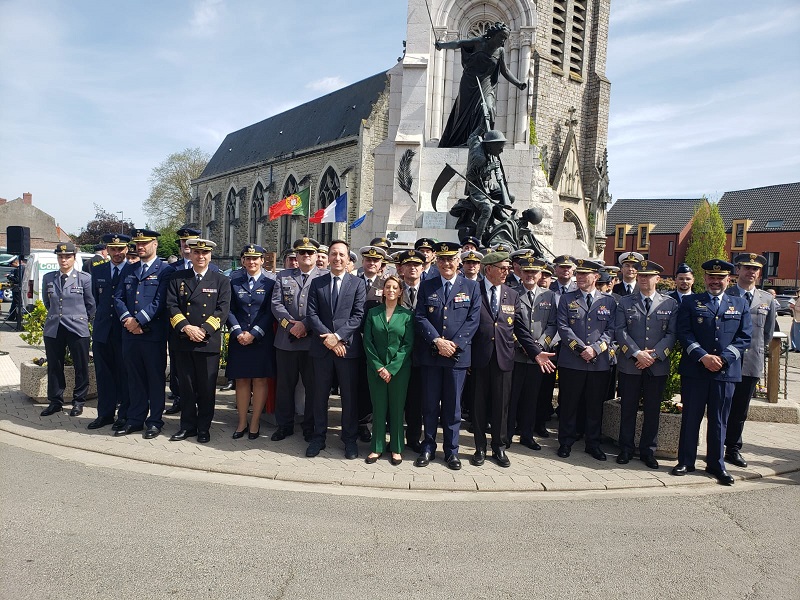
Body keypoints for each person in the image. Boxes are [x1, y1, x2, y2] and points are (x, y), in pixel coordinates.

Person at [470, 252, 555, 468]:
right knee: (479, 405)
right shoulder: (473, 290)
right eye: (502, 268)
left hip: (503, 358)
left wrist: (536, 352)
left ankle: (499, 446)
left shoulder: (511, 294)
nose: (506, 272)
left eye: (507, 268)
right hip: (479, 358)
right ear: (488, 269)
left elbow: (520, 329)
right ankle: (480, 447)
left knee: (501, 405)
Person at [672, 259, 752, 485]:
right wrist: (703, 357)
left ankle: (717, 465)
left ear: (729, 279)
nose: (715, 281)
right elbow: (684, 333)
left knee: (719, 420)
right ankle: (686, 461)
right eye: (711, 277)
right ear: (705, 278)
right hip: (696, 370)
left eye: (720, 278)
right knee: (691, 417)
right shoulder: (691, 302)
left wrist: (723, 359)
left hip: (725, 373)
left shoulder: (740, 303)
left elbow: (744, 337)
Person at [413, 242, 481, 470]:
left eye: (451, 259)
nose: (446, 263)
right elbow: (420, 316)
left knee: (453, 408)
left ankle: (452, 451)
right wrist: (437, 341)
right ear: (437, 262)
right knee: (430, 405)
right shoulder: (427, 285)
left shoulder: (471, 286)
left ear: (458, 261)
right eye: (442, 259)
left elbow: (473, 320)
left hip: (456, 357)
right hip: (432, 355)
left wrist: (454, 345)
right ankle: (428, 447)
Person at [614, 260, 678, 468]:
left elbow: (672, 334)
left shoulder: (669, 303)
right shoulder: (625, 302)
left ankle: (648, 451)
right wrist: (637, 354)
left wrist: (654, 355)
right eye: (641, 275)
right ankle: (625, 448)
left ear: (657, 279)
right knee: (628, 408)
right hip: (630, 364)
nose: (643, 279)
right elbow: (620, 331)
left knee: (652, 410)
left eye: (648, 276)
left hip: (656, 366)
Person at [166, 239, 231, 444]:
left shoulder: (221, 280)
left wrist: (203, 330)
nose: (200, 256)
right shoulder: (177, 278)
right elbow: (171, 306)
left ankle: (204, 427)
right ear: (190, 254)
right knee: (186, 387)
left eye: (204, 253)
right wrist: (187, 327)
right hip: (183, 340)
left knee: (206, 388)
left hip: (207, 342)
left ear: (210, 255)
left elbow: (222, 310)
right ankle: (187, 426)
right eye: (196, 252)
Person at [306, 240, 366, 459]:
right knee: (319, 395)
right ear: (328, 257)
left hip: (347, 350)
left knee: (349, 398)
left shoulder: (357, 284)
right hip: (322, 349)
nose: (337, 258)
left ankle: (349, 439)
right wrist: (329, 339)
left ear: (348, 258)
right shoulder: (317, 283)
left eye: (341, 254)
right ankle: (318, 437)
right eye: (333, 254)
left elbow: (358, 316)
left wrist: (338, 338)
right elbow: (312, 315)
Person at [113, 228, 175, 438]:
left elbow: (160, 301)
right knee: (134, 378)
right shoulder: (129, 269)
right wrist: (127, 320)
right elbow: (118, 297)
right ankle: (135, 419)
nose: (140, 247)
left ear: (154, 244)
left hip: (152, 334)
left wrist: (138, 320)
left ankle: (155, 421)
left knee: (155, 379)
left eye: (144, 243)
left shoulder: (165, 270)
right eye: (138, 244)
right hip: (130, 334)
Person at [555, 258, 616, 460]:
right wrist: (581, 349)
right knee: (569, 404)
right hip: (572, 361)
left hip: (599, 363)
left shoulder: (608, 301)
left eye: (584, 274)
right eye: (578, 274)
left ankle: (593, 443)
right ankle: (565, 442)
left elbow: (611, 330)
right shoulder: (566, 299)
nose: (579, 277)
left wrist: (596, 349)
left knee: (594, 406)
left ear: (596, 277)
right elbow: (563, 327)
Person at [435, 21, 527, 148]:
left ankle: (477, 140)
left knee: (488, 109)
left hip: (486, 84)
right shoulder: (479, 42)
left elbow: (505, 71)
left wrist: (518, 83)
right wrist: (442, 45)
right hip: (469, 83)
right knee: (464, 115)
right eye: (501, 37)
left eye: (505, 39)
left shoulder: (500, 51)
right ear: (494, 34)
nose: (503, 41)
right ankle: (463, 141)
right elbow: (459, 43)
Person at [270, 237, 327, 442]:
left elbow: (325, 307)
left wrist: (306, 325)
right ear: (297, 255)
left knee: (313, 387)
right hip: (287, 340)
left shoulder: (325, 276)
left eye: (310, 252)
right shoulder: (283, 276)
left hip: (313, 341)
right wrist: (291, 326)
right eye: (302, 252)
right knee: (285, 386)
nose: (306, 256)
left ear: (316, 255)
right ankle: (284, 425)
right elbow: (276, 304)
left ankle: (309, 426)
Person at [724, 253, 777, 468]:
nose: (751, 272)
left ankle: (733, 449)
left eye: (755, 269)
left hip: (751, 361)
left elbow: (768, 333)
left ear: (759, 273)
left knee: (740, 409)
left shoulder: (767, 299)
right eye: (746, 267)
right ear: (738, 270)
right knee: (722, 406)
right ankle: (716, 447)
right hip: (727, 362)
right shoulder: (726, 294)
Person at [39, 243, 96, 418]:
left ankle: (78, 401)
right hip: (54, 327)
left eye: (67, 257)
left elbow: (91, 304)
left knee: (81, 366)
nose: (64, 260)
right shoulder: (49, 278)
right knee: (54, 365)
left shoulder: (84, 278)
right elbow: (47, 302)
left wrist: (81, 319)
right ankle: (55, 401)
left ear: (74, 258)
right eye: (60, 256)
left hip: (77, 327)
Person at [363, 275, 415, 465]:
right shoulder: (373, 313)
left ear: (400, 292)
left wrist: (391, 368)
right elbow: (367, 342)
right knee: (378, 408)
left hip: (399, 370)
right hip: (375, 369)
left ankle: (396, 448)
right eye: (388, 287)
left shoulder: (407, 315)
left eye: (395, 287)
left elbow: (407, 345)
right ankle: (377, 447)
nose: (391, 290)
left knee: (396, 409)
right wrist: (379, 367)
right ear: (383, 291)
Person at [226, 245, 276, 440]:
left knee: (260, 380)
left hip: (260, 339)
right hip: (239, 338)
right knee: (242, 380)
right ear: (243, 261)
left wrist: (254, 333)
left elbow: (270, 312)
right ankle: (241, 422)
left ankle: (255, 422)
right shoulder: (234, 282)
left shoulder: (270, 283)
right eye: (248, 258)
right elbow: (229, 310)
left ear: (262, 261)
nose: (252, 262)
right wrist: (238, 332)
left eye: (256, 258)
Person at [509, 256, 558, 448]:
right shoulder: (511, 293)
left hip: (539, 357)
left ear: (540, 274)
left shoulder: (550, 296)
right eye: (527, 271)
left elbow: (552, 325)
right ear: (520, 273)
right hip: (516, 354)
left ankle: (527, 435)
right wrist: (521, 344)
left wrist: (540, 345)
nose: (530, 275)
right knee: (512, 398)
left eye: (534, 272)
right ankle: (506, 434)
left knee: (532, 398)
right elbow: (507, 324)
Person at [88, 233, 131, 430]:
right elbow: (95, 300)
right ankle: (105, 414)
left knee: (125, 374)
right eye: (113, 249)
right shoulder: (98, 270)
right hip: (103, 330)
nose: (117, 253)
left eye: (120, 249)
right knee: (103, 374)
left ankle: (124, 415)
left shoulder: (133, 270)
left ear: (126, 249)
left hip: (124, 331)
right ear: (107, 250)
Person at [397, 249, 425, 451]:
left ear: (422, 268)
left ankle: (414, 438)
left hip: (421, 354)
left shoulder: (430, 289)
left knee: (417, 399)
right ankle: (395, 438)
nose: (412, 268)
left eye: (416, 265)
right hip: (397, 353)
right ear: (401, 269)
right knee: (396, 399)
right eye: (408, 264)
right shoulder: (394, 289)